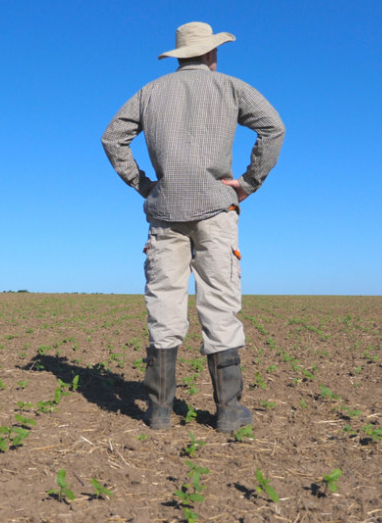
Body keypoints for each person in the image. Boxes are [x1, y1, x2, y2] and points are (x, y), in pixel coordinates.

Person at [101, 22, 284, 433]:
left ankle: (158, 411)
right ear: (212, 53)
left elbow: (112, 138)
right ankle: (228, 412)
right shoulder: (231, 87)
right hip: (217, 210)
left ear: (180, 55)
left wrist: (143, 184)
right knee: (219, 303)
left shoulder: (150, 92)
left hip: (165, 211)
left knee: (164, 304)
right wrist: (248, 183)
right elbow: (274, 128)